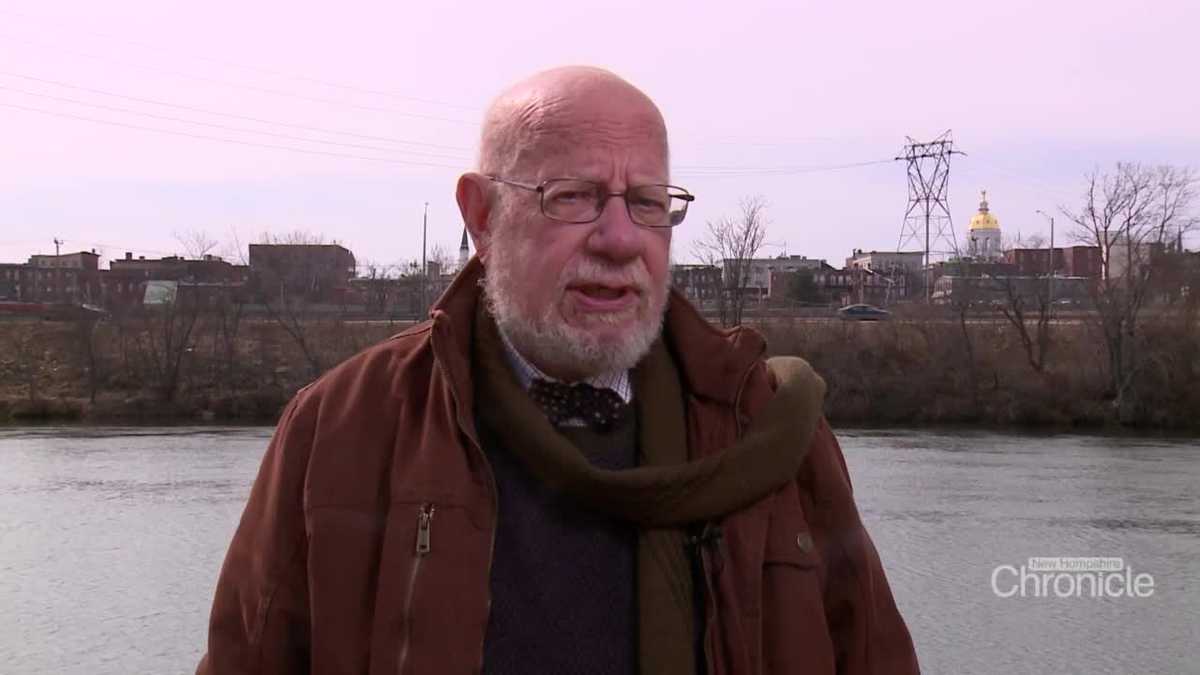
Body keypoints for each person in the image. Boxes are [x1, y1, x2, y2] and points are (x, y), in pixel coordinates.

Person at [197, 66, 919, 675]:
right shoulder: (342, 429)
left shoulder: (768, 431)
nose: (618, 239)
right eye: (570, 196)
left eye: (646, 201)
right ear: (481, 217)